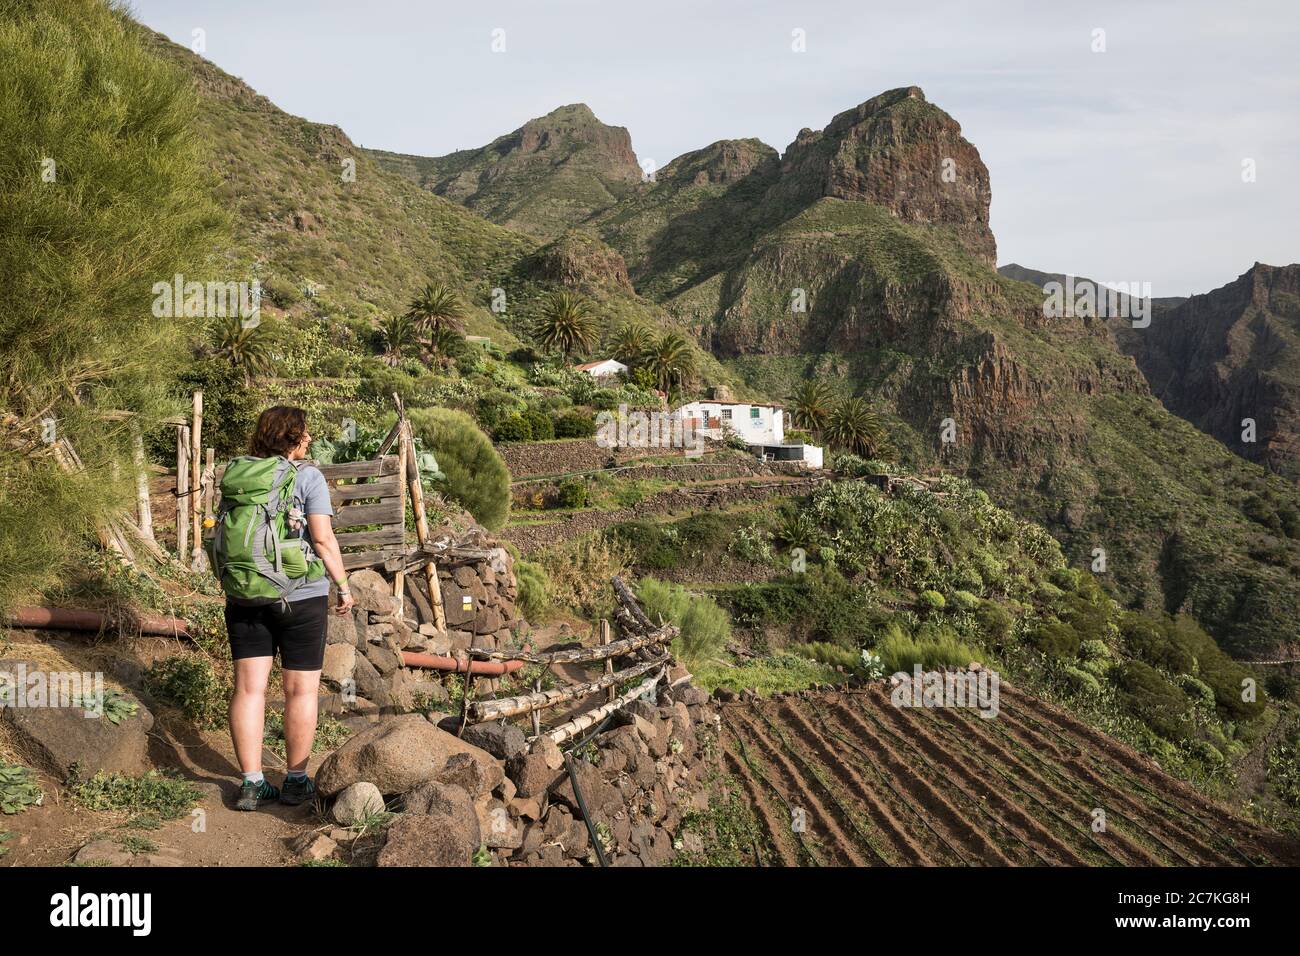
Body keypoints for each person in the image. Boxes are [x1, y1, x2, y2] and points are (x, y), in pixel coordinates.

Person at [225, 406, 355, 811]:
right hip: (301, 595)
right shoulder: (308, 477)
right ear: (291, 438)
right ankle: (296, 781)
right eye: (305, 432)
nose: (310, 439)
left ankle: (251, 784)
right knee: (300, 690)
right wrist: (343, 586)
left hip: (246, 594)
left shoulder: (238, 473)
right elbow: (323, 540)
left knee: (249, 689)